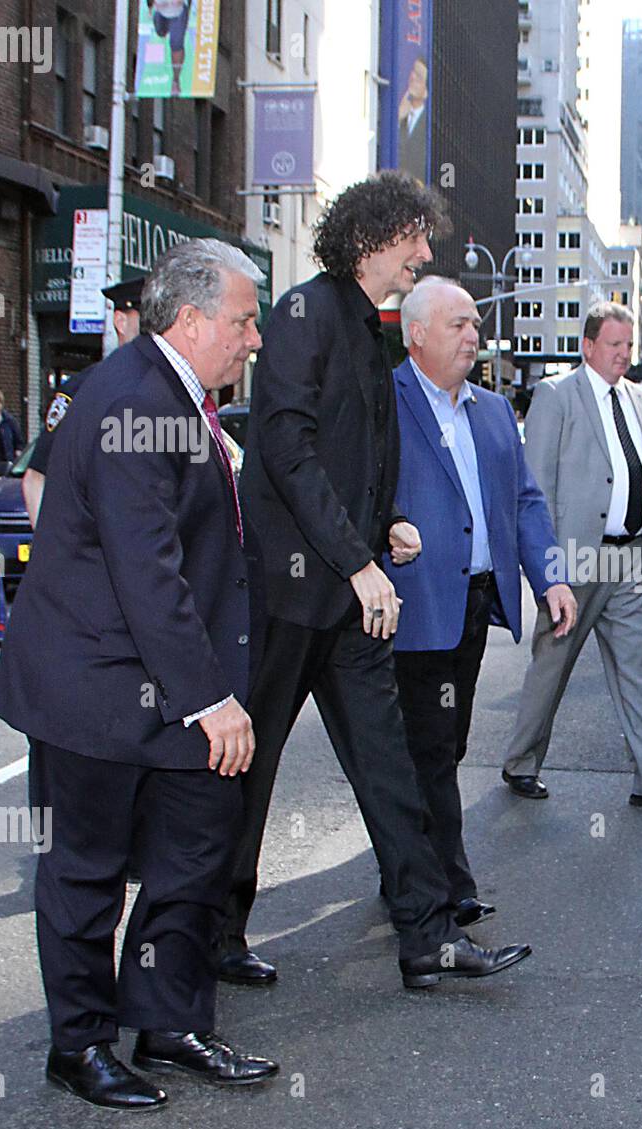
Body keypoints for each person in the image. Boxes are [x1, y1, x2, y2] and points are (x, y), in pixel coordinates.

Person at [0, 239, 276, 1111]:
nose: (255, 339)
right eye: (243, 320)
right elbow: (146, 572)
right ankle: (78, 1046)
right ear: (190, 321)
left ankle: (169, 1021)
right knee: (84, 873)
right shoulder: (130, 401)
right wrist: (212, 700)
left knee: (196, 847)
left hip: (164, 691)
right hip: (97, 692)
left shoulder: (180, 397)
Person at [225, 174, 531, 990]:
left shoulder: (372, 329)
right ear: (370, 240)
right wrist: (360, 560)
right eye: (414, 240)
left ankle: (426, 935)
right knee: (249, 770)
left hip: (351, 595)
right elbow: (285, 451)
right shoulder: (302, 316)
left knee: (391, 767)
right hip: (290, 593)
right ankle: (216, 932)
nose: (423, 254)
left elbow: (358, 454)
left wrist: (386, 518)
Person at [387, 276, 576, 929]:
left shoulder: (493, 412)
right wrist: (386, 521)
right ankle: (444, 885)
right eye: (458, 325)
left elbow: (524, 500)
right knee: (431, 748)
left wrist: (550, 576)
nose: (473, 335)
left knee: (449, 742)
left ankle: (406, 866)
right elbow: (351, 483)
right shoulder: (386, 401)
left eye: (475, 324)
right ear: (416, 333)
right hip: (410, 606)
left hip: (471, 603)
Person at [502, 301, 642, 814]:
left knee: (638, 671)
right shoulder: (556, 396)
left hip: (630, 559)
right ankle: (521, 762)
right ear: (588, 346)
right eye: (614, 345)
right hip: (576, 560)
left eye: (628, 345)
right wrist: (548, 572)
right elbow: (536, 489)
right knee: (554, 662)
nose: (623, 355)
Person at [24, 277, 144, 526]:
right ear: (120, 321)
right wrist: (53, 557)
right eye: (145, 321)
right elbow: (37, 478)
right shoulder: (82, 389)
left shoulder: (173, 392)